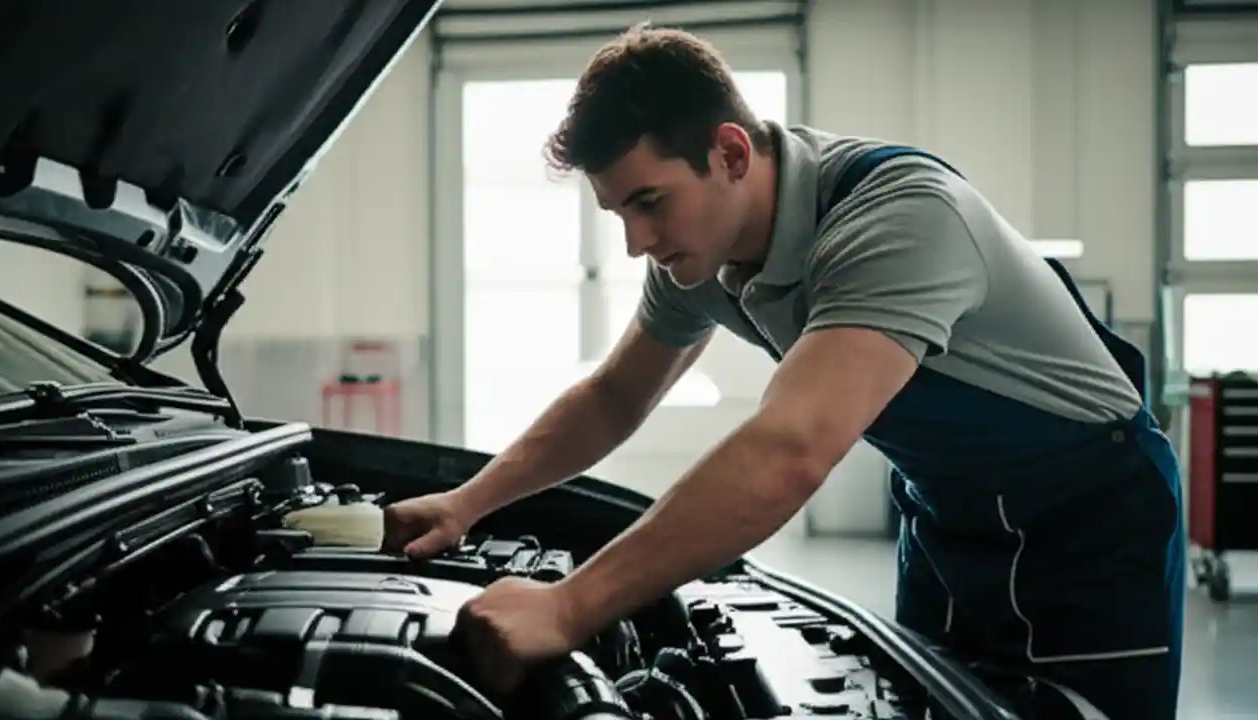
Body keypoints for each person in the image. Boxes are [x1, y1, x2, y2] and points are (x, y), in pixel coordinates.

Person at [383, 24, 1185, 719]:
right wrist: (467, 502)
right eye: (619, 211)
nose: (634, 242)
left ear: (730, 151)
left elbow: (791, 447)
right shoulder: (700, 258)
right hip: (949, 518)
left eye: (650, 202)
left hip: (1085, 522)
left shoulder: (900, 219)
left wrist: (568, 608)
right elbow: (615, 394)